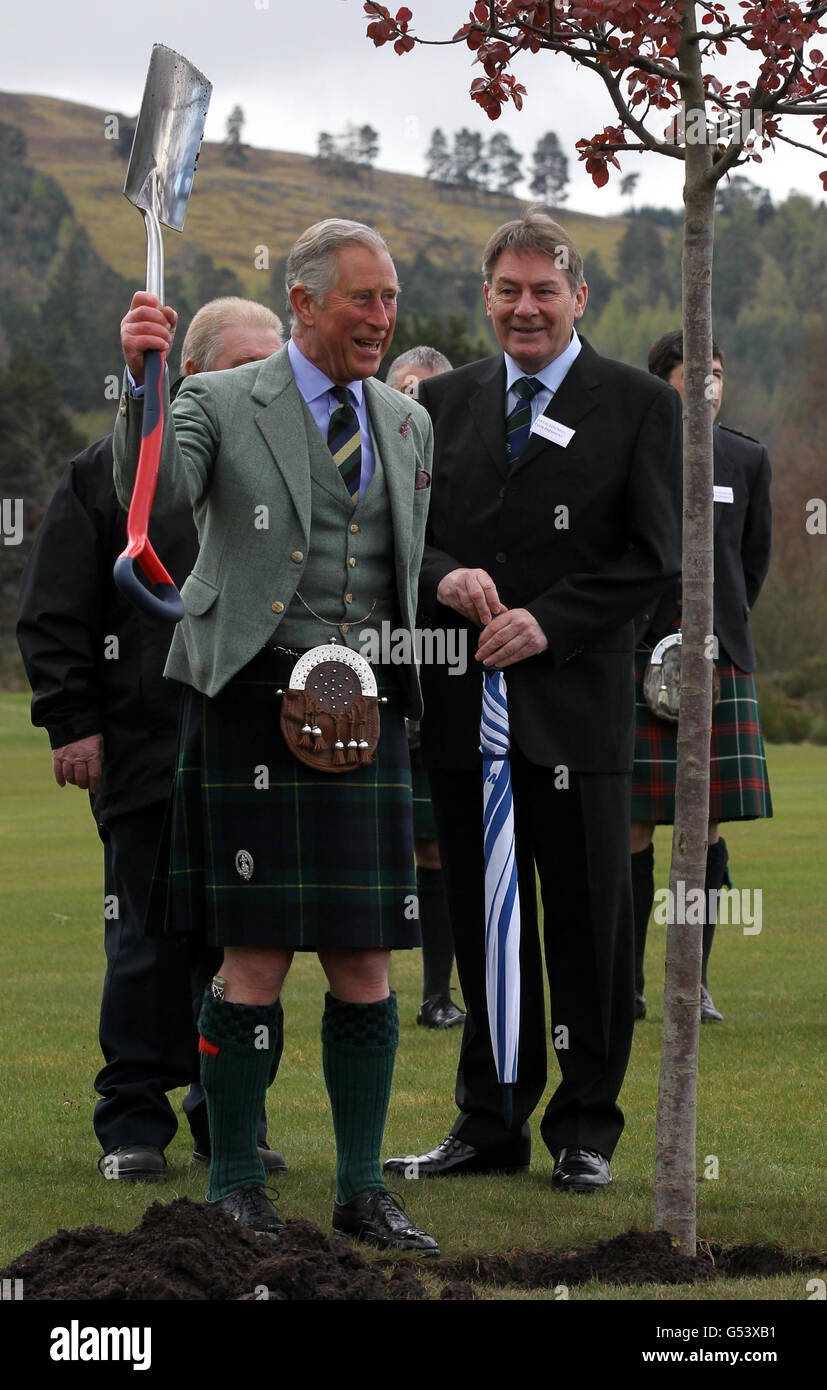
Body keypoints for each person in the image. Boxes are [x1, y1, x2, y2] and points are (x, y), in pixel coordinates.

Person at [113, 219, 439, 1251]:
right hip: (250, 698)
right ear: (302, 303)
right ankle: (237, 1183)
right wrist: (142, 386)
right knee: (251, 958)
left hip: (363, 708)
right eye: (360, 300)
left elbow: (397, 557)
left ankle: (358, 1190)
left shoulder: (403, 420)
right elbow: (156, 495)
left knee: (364, 958)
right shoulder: (215, 399)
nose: (380, 320)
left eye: (388, 300)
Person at [384, 210, 682, 1192]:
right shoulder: (442, 404)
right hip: (467, 716)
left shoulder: (638, 404)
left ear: (577, 296)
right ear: (485, 296)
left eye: (542, 291)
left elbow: (653, 556)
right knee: (483, 922)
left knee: (586, 925)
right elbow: (403, 535)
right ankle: (489, 1122)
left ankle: (585, 1128)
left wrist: (550, 619)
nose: (523, 307)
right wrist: (442, 577)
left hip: (575, 713)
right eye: (506, 291)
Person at [17, 298, 286, 1182]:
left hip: (258, 761)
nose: (260, 385)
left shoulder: (288, 485)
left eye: (270, 368)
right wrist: (71, 722)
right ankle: (133, 1121)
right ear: (189, 376)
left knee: (245, 949)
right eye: (240, 367)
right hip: (144, 757)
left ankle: (230, 1120)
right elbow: (55, 611)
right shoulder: (108, 476)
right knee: (144, 945)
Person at [631, 330, 773, 1023]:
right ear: (665, 380)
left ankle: (692, 982)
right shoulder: (630, 448)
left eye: (718, 373)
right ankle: (624, 981)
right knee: (631, 825)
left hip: (717, 660)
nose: (709, 386)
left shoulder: (746, 458)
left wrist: (716, 633)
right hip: (635, 654)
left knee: (703, 829)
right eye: (697, 373)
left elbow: (751, 564)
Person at [385, 346, 464, 1029]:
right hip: (369, 673)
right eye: (405, 393)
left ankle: (437, 993)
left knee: (438, 844)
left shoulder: (466, 480)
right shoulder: (359, 463)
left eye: (428, 396)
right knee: (364, 841)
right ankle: (363, 989)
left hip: (447, 677)